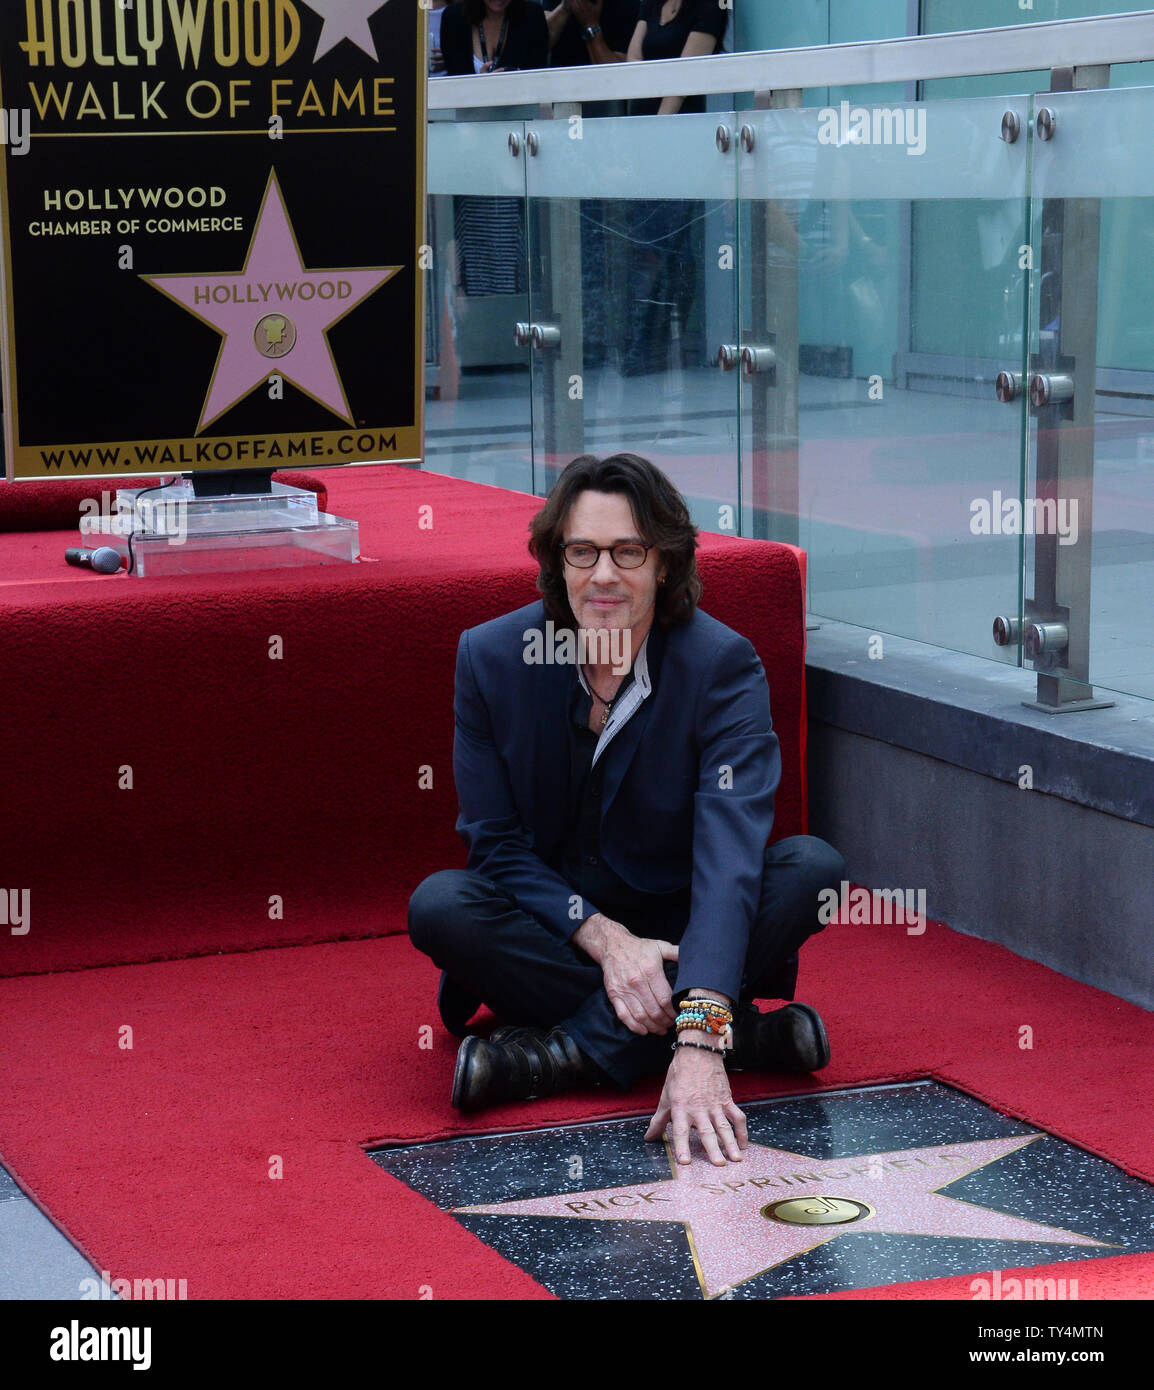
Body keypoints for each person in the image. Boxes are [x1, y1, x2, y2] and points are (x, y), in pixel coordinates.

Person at [409, 454, 845, 1168]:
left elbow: (729, 861)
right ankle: (748, 1036)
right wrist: (607, 941)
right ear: (556, 560)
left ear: (666, 564)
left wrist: (698, 1043)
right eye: (582, 551)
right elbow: (494, 846)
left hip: (681, 925)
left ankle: (554, 1056)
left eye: (628, 552)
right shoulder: (491, 658)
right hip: (558, 931)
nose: (603, 575)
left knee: (814, 871)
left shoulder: (721, 666)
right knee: (441, 905)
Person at [439, 0, 550, 75]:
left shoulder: (532, 15)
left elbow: (537, 73)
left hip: (520, 107)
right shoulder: (453, 17)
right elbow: (455, 77)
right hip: (468, 107)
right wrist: (479, 85)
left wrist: (515, 76)